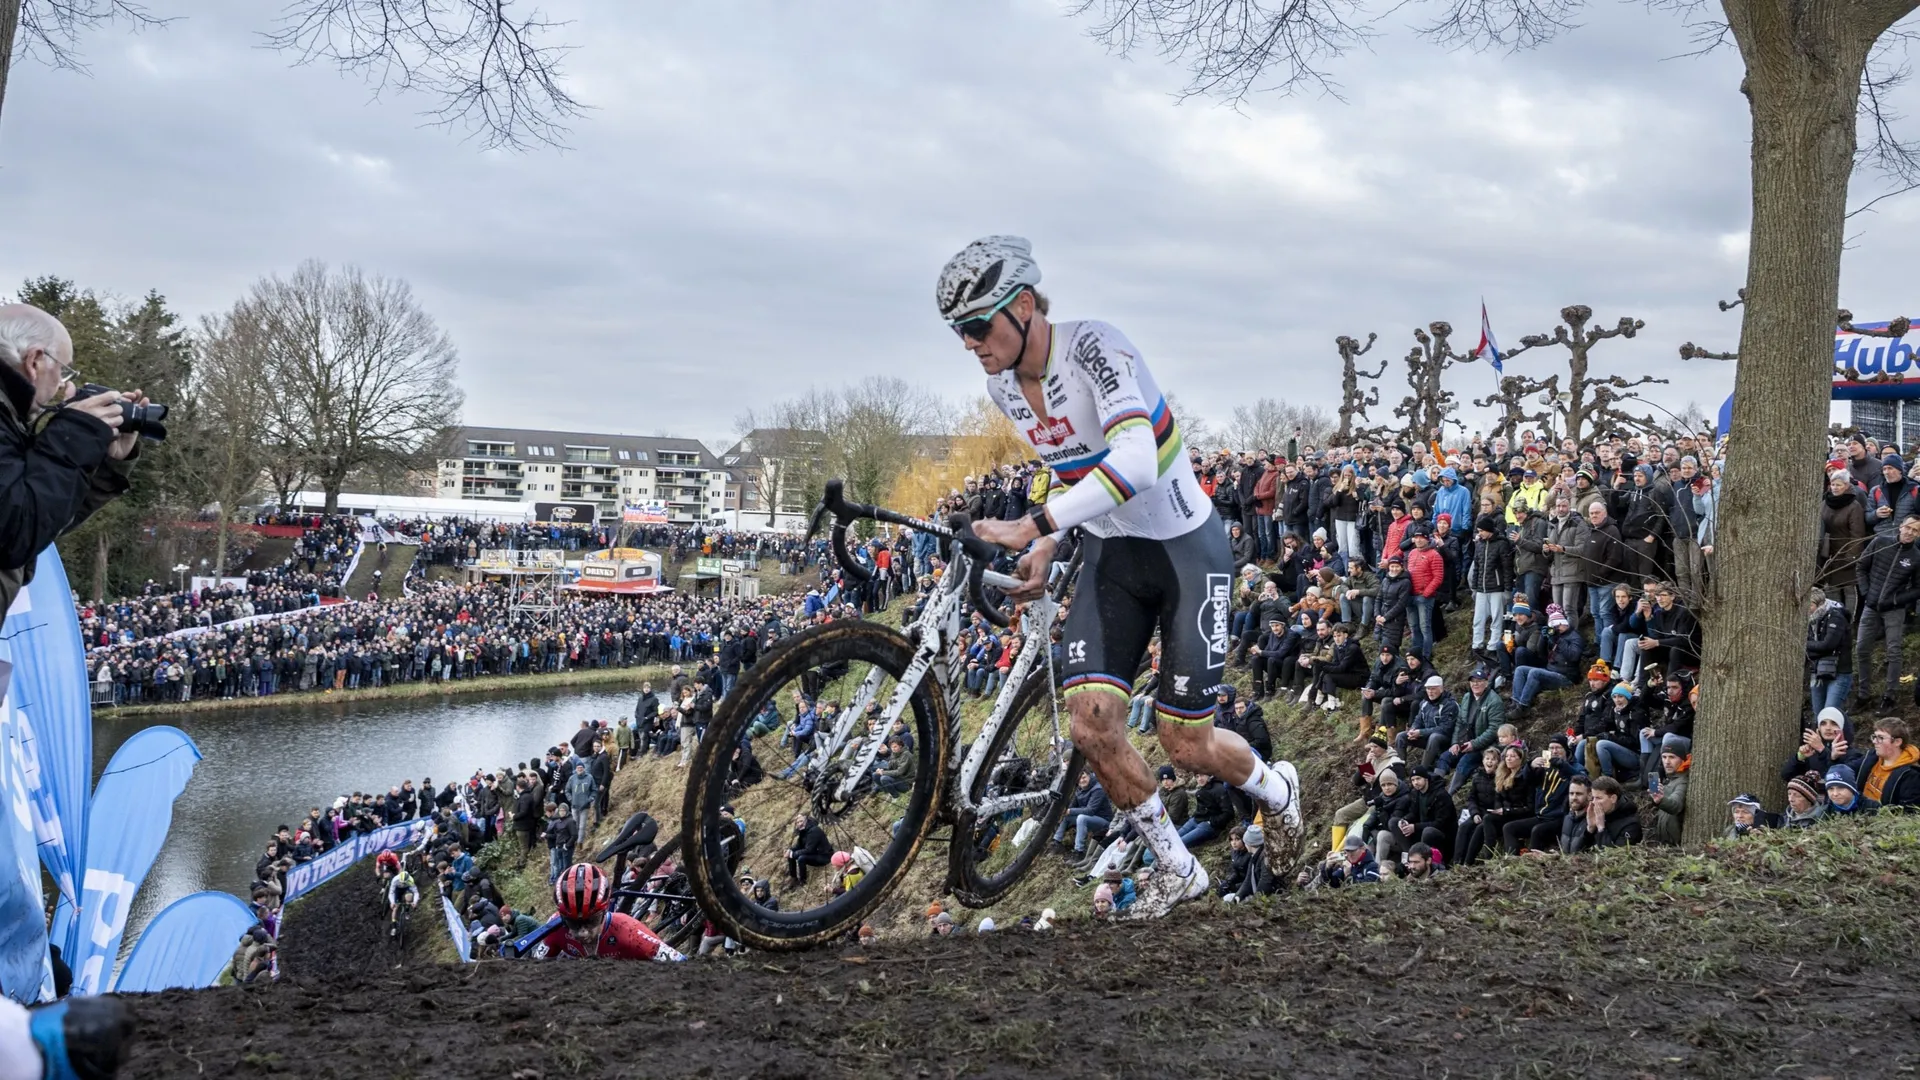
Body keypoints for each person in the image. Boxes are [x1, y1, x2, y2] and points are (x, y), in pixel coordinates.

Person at [945, 236, 1302, 917]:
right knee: (1092, 725)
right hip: (1112, 557)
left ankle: (1276, 790)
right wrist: (1052, 543)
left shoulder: (1097, 349)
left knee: (1185, 744)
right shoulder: (1000, 386)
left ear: (1023, 306)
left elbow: (1137, 460)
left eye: (976, 326)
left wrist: (1036, 526)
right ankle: (1176, 867)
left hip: (1184, 552)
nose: (969, 344)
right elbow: (1070, 461)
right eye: (957, 333)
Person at [0, 302, 148, 630]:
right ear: (35, 360)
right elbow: (14, 534)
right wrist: (73, 434)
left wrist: (109, 464)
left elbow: (41, 519)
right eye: (64, 370)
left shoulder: (11, 420)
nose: (63, 386)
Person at [515, 863, 684, 961]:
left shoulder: (627, 930)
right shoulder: (554, 928)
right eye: (573, 923)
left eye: (591, 920)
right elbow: (536, 971)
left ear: (604, 912)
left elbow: (680, 963)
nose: (582, 932)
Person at [1855, 716, 1920, 809]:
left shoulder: (1911, 776)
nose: (1874, 741)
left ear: (1897, 742)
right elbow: (1848, 769)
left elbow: (1907, 813)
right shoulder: (1873, 757)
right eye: (1874, 736)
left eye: (1880, 737)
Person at [387, 865, 419, 936]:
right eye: (401, 882)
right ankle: (394, 927)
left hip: (406, 889)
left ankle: (407, 911)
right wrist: (392, 902)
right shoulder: (395, 880)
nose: (402, 883)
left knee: (409, 897)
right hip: (397, 890)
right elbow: (391, 892)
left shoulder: (410, 880)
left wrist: (415, 902)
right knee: (395, 908)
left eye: (404, 882)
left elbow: (416, 892)